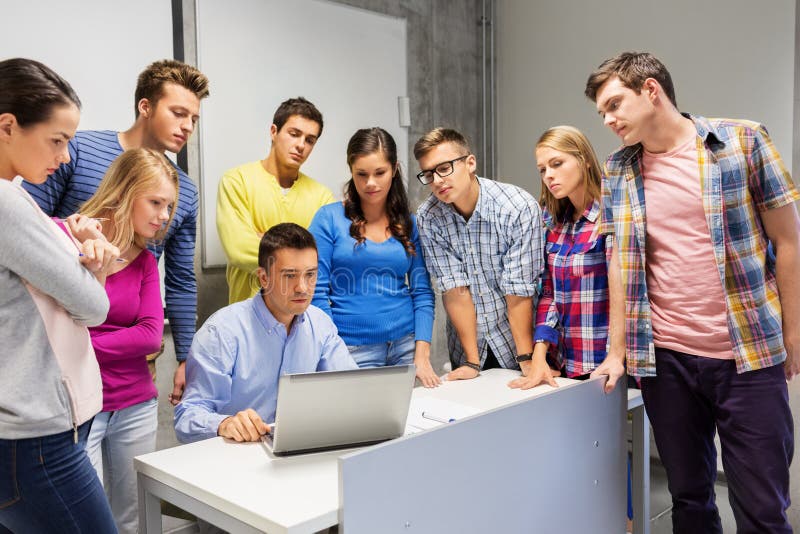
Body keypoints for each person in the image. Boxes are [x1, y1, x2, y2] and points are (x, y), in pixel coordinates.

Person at [585, 51, 798, 533]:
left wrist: (794, 333)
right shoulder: (619, 169)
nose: (608, 119)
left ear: (652, 91)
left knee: (763, 509)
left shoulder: (743, 141)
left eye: (615, 104)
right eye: (602, 112)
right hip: (668, 361)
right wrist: (617, 351)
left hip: (747, 355)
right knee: (690, 501)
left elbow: (788, 241)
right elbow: (620, 263)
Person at [24, 59, 210, 406]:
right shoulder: (78, 151)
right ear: (146, 106)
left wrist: (185, 356)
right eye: (178, 113)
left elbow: (181, 279)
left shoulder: (185, 190)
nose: (187, 127)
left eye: (194, 119)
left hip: (130, 357)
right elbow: (29, 222)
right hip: (61, 343)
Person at [0, 57, 119, 533]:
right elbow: (93, 306)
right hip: (35, 442)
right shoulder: (7, 203)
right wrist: (98, 270)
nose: (66, 157)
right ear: (8, 125)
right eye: (57, 139)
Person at [57, 148, 179, 534]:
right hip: (81, 408)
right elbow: (54, 325)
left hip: (136, 403)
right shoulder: (68, 238)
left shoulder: (145, 260)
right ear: (126, 192)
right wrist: (78, 339)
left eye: (169, 206)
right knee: (84, 521)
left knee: (131, 518)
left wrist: (81, 343)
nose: (164, 216)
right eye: (155, 202)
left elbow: (149, 336)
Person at [175, 223, 357, 443]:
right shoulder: (221, 332)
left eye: (310, 275)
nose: (302, 287)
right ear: (263, 278)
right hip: (236, 454)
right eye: (290, 276)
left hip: (297, 450)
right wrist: (224, 424)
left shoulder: (320, 324)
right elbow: (188, 416)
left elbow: (350, 389)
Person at [414, 127, 549, 386]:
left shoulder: (517, 207)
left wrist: (526, 356)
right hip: (467, 346)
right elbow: (454, 288)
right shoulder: (429, 216)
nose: (438, 180)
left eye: (444, 168)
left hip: (519, 342)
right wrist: (471, 361)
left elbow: (518, 288)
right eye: (429, 174)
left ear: (470, 163)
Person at [308, 128, 437, 386]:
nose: (370, 183)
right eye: (361, 174)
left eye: (380, 173)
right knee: (360, 426)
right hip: (351, 349)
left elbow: (422, 292)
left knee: (418, 423)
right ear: (351, 171)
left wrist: (421, 355)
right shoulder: (328, 219)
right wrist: (334, 351)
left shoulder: (409, 224)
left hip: (406, 346)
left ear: (394, 169)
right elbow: (315, 292)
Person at [217, 97, 334, 305]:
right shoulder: (237, 181)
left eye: (309, 140)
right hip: (247, 317)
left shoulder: (322, 197)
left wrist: (264, 240)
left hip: (302, 317)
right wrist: (301, 254)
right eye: (294, 134)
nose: (300, 145)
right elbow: (239, 250)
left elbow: (324, 259)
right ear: (274, 131)